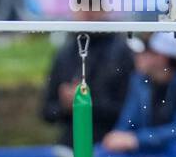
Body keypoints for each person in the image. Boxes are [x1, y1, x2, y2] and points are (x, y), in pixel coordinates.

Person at [102, 34, 176, 154]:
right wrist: (118, 135)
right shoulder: (139, 81)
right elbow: (128, 120)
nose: (137, 57)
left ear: (162, 57)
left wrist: (137, 139)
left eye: (145, 52)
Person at [41, 13, 133, 146]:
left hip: (111, 145)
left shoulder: (121, 52)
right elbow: (47, 111)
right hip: (71, 146)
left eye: (91, 3)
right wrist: (64, 106)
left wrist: (85, 103)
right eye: (80, 4)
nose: (86, 12)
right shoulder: (64, 54)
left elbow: (131, 109)